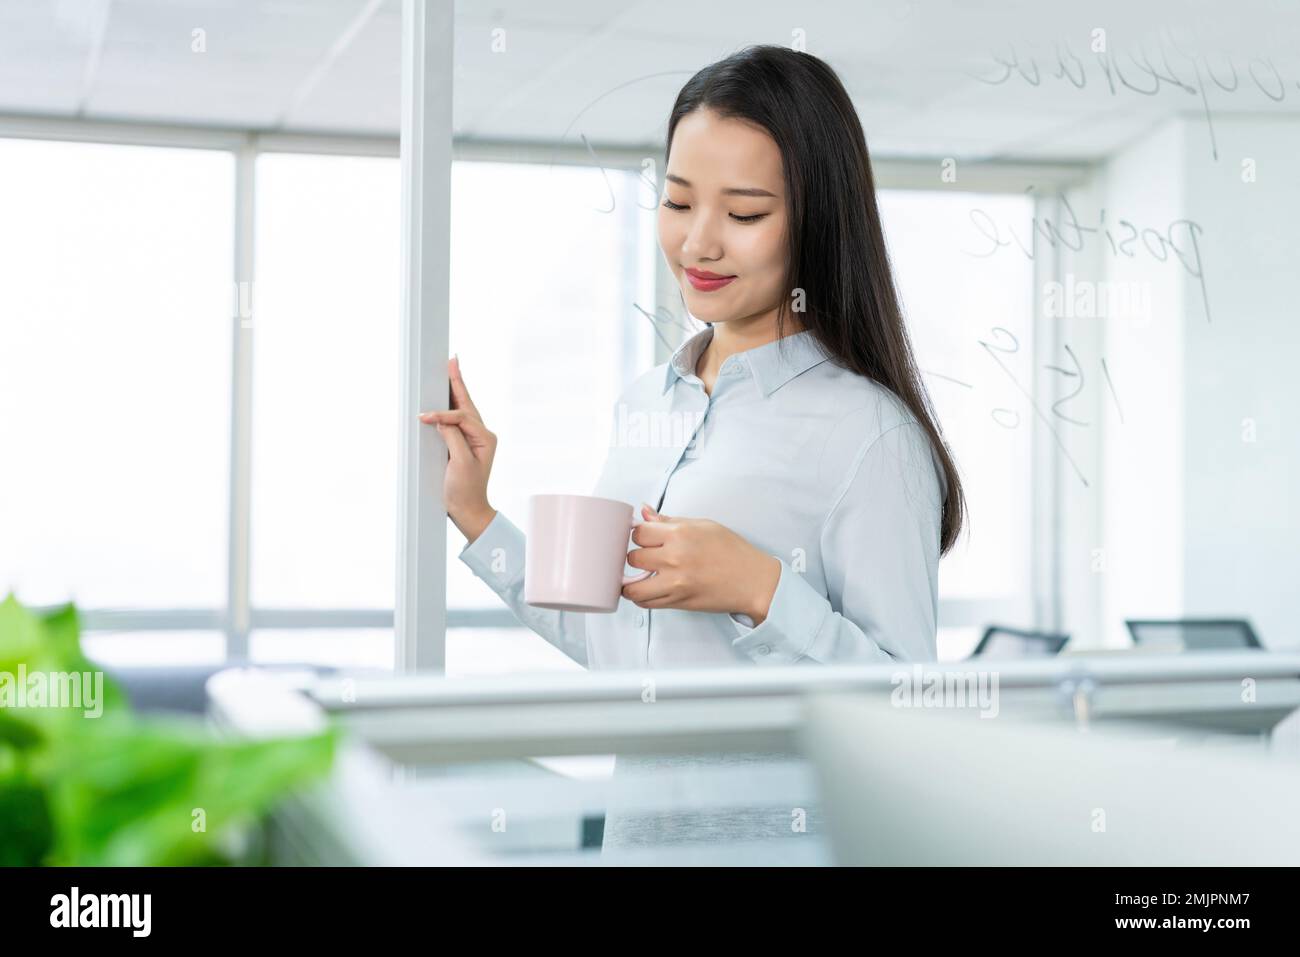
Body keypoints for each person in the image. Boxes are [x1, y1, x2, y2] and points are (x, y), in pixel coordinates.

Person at [418, 44, 966, 857]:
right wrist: (476, 514)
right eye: (677, 202)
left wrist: (761, 587)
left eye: (743, 214)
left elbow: (912, 714)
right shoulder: (646, 401)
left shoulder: (872, 435)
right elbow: (611, 646)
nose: (697, 244)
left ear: (817, 220)